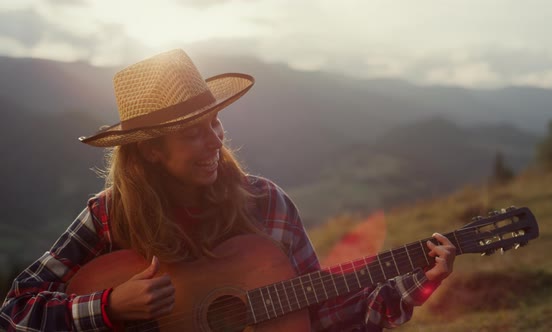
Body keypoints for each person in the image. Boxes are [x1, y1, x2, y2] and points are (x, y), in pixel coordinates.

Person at [0, 49, 456, 331]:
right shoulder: (107, 216)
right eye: (192, 133)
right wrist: (109, 306)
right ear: (152, 152)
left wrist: (415, 282)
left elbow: (319, 312)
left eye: (214, 122)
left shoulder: (266, 204)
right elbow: (16, 309)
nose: (216, 140)